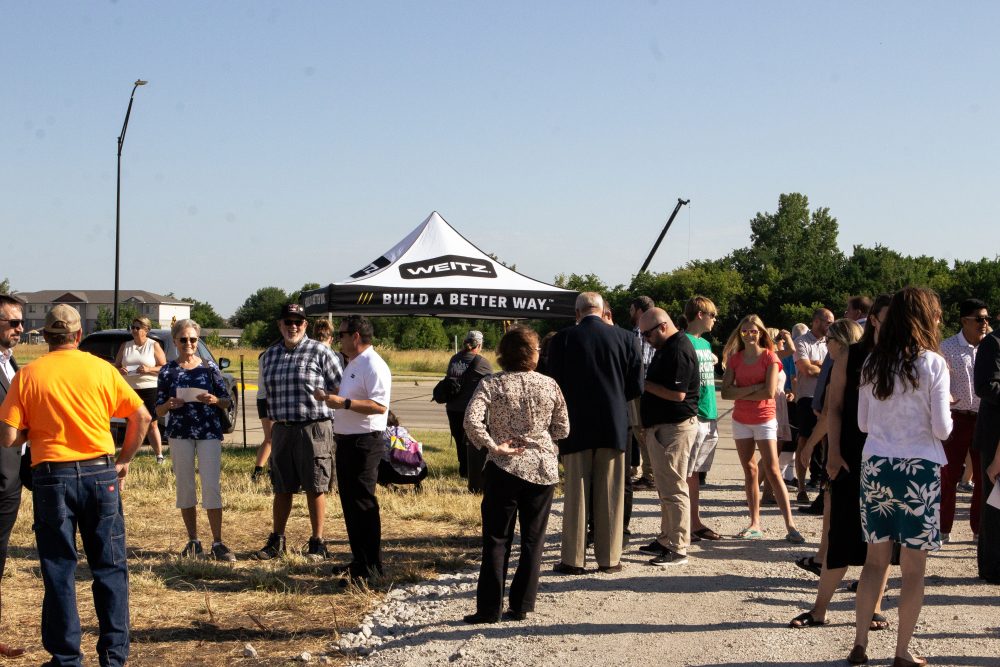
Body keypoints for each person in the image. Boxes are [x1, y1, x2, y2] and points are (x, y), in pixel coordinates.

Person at [0, 304, 151, 667]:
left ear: (47, 338)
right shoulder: (100, 369)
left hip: (52, 476)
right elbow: (142, 416)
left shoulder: (29, 374)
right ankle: (114, 656)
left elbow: (7, 436)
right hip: (101, 474)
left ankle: (67, 657)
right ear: (79, 336)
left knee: (58, 567)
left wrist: (32, 431)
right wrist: (124, 459)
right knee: (110, 566)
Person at [849, 287, 952, 667]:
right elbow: (942, 429)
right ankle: (901, 651)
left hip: (876, 465)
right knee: (913, 569)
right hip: (918, 469)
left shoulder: (873, 362)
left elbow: (862, 423)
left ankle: (859, 643)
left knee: (874, 562)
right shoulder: (933, 364)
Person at [790, 314, 891, 631]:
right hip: (848, 455)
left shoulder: (900, 357)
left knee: (881, 540)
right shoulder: (850, 358)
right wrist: (827, 451)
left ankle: (873, 607)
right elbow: (832, 409)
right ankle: (819, 609)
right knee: (840, 534)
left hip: (883, 458)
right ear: (874, 319)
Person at [462, 326, 569, 623]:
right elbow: (563, 428)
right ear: (529, 354)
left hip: (504, 467)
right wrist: (543, 439)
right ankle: (521, 605)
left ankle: (488, 609)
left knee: (497, 538)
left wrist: (493, 445)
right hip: (542, 469)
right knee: (534, 540)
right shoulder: (550, 385)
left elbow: (471, 421)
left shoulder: (491, 384)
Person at [548, 292, 642, 575]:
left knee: (576, 493)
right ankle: (610, 559)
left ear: (577, 313)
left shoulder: (562, 339)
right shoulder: (626, 338)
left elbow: (554, 383)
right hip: (613, 422)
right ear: (603, 312)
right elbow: (636, 386)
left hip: (574, 423)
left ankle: (574, 559)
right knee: (611, 492)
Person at [252, 304, 343, 561]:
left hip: (314, 428)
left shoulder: (321, 352)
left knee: (315, 485)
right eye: (288, 321)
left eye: (298, 322)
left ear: (305, 325)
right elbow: (264, 395)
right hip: (282, 429)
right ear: (280, 325)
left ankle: (318, 542)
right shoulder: (269, 356)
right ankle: (277, 540)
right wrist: (269, 428)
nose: (293, 326)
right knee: (282, 487)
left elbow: (341, 387)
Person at [316, 315, 391, 582]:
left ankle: (372, 564)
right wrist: (331, 397)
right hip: (349, 440)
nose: (339, 340)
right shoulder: (354, 364)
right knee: (350, 502)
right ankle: (360, 560)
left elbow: (380, 406)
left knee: (362, 502)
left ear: (356, 336)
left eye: (343, 335)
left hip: (364, 441)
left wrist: (343, 403)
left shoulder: (373, 364)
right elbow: (352, 396)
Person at [156, 319, 235, 561]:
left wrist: (214, 400)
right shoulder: (168, 370)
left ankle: (218, 542)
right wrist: (168, 404)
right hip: (180, 433)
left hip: (208, 432)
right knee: (185, 487)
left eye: (193, 339)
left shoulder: (210, 368)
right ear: (175, 341)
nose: (189, 343)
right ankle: (193, 540)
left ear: (198, 340)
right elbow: (158, 410)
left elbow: (227, 400)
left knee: (211, 486)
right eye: (183, 339)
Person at [721, 315, 804, 543]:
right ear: (740, 333)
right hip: (741, 420)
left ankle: (791, 525)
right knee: (749, 470)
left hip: (765, 418)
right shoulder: (734, 359)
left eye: (754, 331)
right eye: (745, 331)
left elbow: (768, 393)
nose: (750, 334)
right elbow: (726, 393)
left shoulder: (770, 357)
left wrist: (743, 390)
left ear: (761, 333)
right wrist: (754, 388)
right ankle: (754, 522)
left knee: (773, 470)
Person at [635, 308, 701, 566]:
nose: (645, 339)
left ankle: (678, 547)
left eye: (647, 334)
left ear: (662, 326)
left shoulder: (679, 349)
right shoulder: (668, 347)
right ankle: (665, 538)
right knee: (665, 487)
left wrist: (643, 383)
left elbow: (678, 394)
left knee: (674, 488)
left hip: (675, 428)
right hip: (663, 427)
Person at [938, 298, 988, 543]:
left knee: (983, 475)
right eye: (979, 319)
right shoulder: (945, 348)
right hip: (956, 418)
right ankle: (943, 528)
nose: (984, 324)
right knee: (948, 475)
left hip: (984, 418)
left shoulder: (991, 347)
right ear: (964, 321)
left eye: (987, 319)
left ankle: (979, 529)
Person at [444, 330, 493, 489]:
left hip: (452, 407)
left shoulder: (454, 358)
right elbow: (492, 382)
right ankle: (472, 471)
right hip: (471, 409)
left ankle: (463, 469)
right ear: (479, 345)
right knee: (473, 442)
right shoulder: (481, 362)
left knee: (459, 439)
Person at [794, 308, 834, 502]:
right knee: (804, 441)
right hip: (807, 397)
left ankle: (824, 488)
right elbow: (806, 369)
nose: (831, 326)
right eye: (828, 322)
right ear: (816, 322)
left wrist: (817, 365)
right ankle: (801, 488)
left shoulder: (831, 342)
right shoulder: (801, 342)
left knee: (827, 442)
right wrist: (823, 369)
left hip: (828, 397)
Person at [114, 316, 167, 463]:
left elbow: (164, 367)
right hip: (129, 389)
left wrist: (149, 369)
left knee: (151, 422)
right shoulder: (125, 345)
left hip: (149, 387)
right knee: (131, 423)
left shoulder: (153, 345)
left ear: (146, 330)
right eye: (133, 327)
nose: (135, 330)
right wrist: (120, 370)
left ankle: (159, 455)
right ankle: (128, 456)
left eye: (138, 328)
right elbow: (115, 365)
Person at [973, 307, 1000, 584]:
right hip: (994, 435)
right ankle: (991, 567)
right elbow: (985, 386)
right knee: (995, 502)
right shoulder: (993, 343)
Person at [628, 296, 656, 488]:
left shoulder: (639, 332)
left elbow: (641, 362)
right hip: (653, 388)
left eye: (631, 309)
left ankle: (650, 475)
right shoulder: (657, 329)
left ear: (638, 310)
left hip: (641, 389)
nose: (630, 313)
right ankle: (650, 472)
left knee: (641, 431)